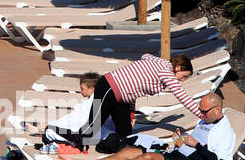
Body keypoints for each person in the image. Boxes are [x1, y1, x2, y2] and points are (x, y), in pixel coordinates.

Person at [59, 91, 233, 160]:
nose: (200, 115)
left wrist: (197, 145)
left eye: (204, 112)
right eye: (199, 111)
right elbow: (191, 143)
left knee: (147, 159)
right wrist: (179, 140)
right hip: (174, 153)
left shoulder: (225, 132)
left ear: (217, 109)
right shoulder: (206, 121)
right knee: (127, 151)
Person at [67, 53, 203, 153]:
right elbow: (182, 96)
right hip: (109, 86)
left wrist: (131, 113)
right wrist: (201, 114)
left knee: (125, 131)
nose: (183, 80)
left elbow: (145, 58)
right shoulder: (167, 72)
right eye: (184, 76)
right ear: (177, 67)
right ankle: (68, 143)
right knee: (93, 125)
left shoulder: (161, 63)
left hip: (122, 97)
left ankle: (116, 156)